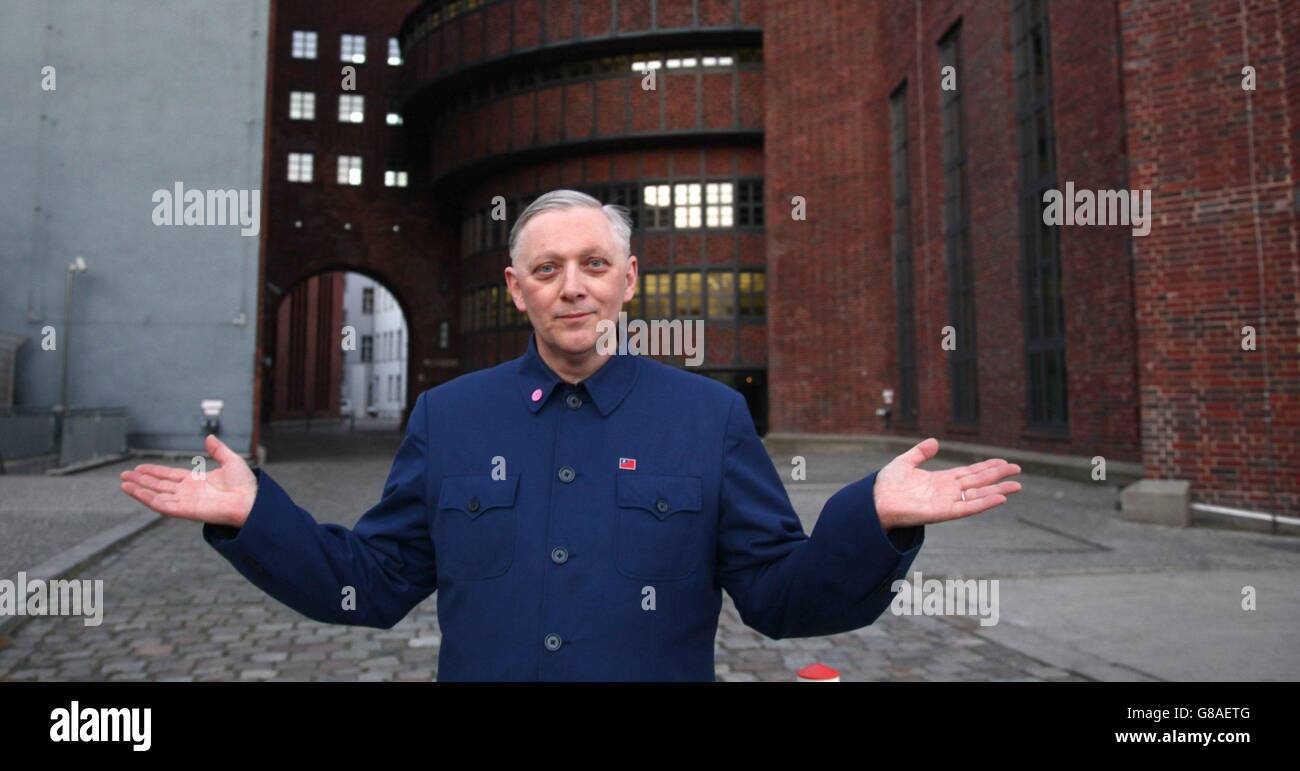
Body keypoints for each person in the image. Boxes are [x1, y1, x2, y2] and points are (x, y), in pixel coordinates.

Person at [120, 189, 1023, 681]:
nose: (573, 286)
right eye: (547, 269)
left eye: (594, 264)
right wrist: (253, 517)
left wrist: (874, 518)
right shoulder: (451, 416)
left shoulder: (708, 418)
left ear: (629, 280)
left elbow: (782, 599)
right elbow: (375, 583)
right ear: (517, 291)